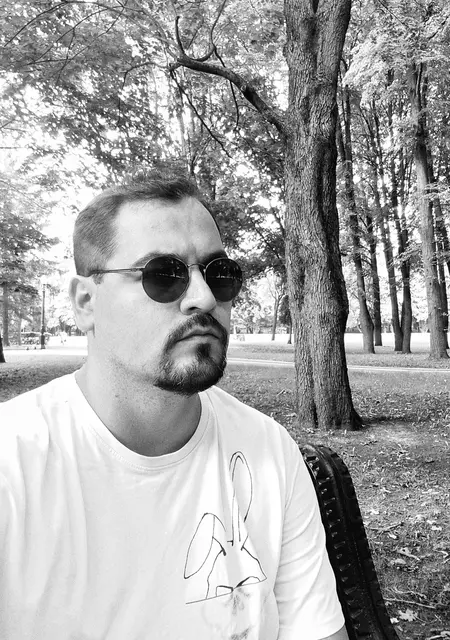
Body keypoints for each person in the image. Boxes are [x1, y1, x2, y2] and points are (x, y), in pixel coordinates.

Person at [0, 174, 349, 640]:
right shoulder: (13, 464)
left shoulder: (268, 450)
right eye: (163, 275)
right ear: (86, 302)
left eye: (219, 273)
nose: (204, 298)